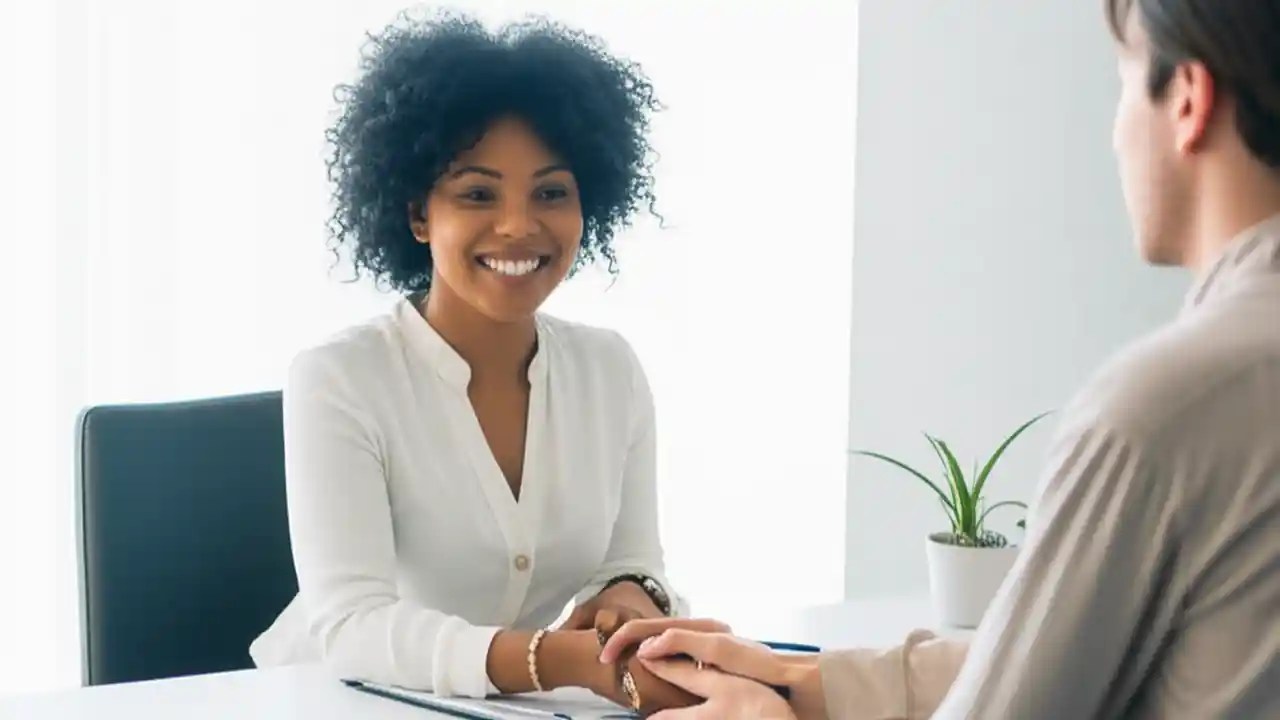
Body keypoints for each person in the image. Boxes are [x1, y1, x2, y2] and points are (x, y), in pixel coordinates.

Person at [600, 0, 1280, 717]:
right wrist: (809, 682)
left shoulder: (1167, 410)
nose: (1114, 137)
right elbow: (1085, 651)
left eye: (1122, 81)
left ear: (1188, 101)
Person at [249, 11, 694, 711]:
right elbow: (353, 624)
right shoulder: (338, 378)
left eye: (551, 192)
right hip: (330, 700)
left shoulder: (611, 370)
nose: (518, 225)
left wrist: (629, 598)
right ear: (419, 213)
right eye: (477, 194)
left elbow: (631, 560)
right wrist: (558, 661)